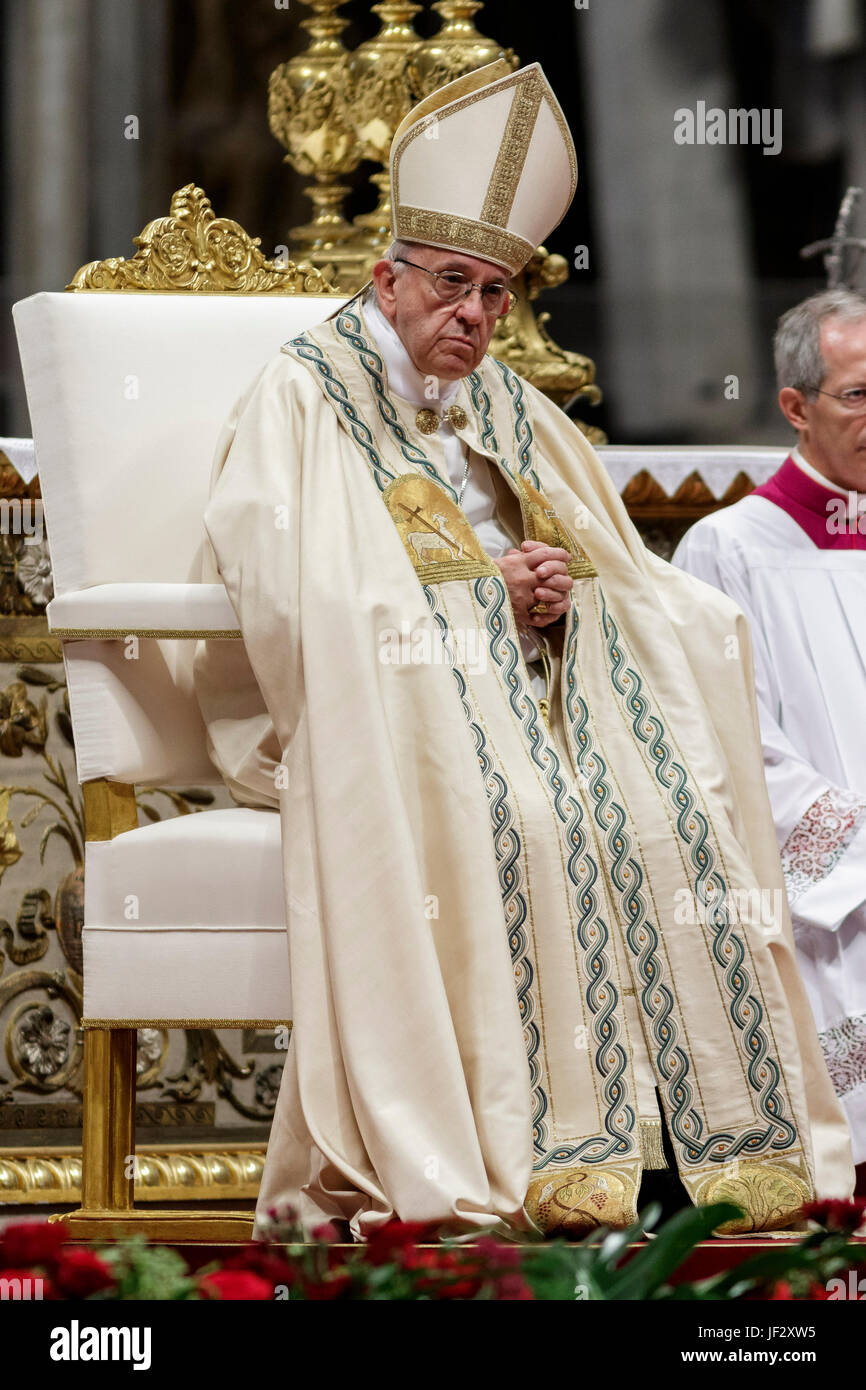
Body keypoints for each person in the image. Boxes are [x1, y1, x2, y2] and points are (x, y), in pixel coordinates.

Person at [193, 62, 854, 1243]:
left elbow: (616, 566)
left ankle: (682, 1160)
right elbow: (293, 595)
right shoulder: (303, 397)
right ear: (384, 275)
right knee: (538, 821)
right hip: (387, 716)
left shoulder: (502, 402)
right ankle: (540, 1153)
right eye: (452, 285)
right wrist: (466, 600)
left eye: (496, 295)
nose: (476, 318)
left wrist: (554, 599)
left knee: (665, 809)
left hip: (534, 695)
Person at [674, 289, 866, 1179]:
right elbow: (723, 737)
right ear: (795, 407)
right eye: (859, 395)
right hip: (830, 906)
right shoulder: (727, 549)